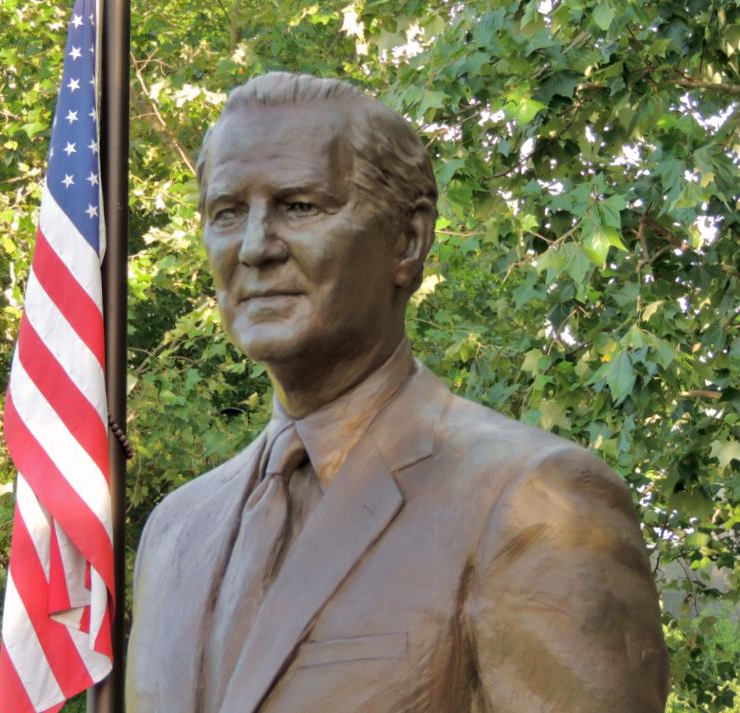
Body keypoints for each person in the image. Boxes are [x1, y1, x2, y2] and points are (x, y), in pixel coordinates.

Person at [126, 73, 668, 713]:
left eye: (300, 206)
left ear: (408, 241)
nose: (254, 247)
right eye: (227, 213)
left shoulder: (534, 503)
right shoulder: (174, 532)